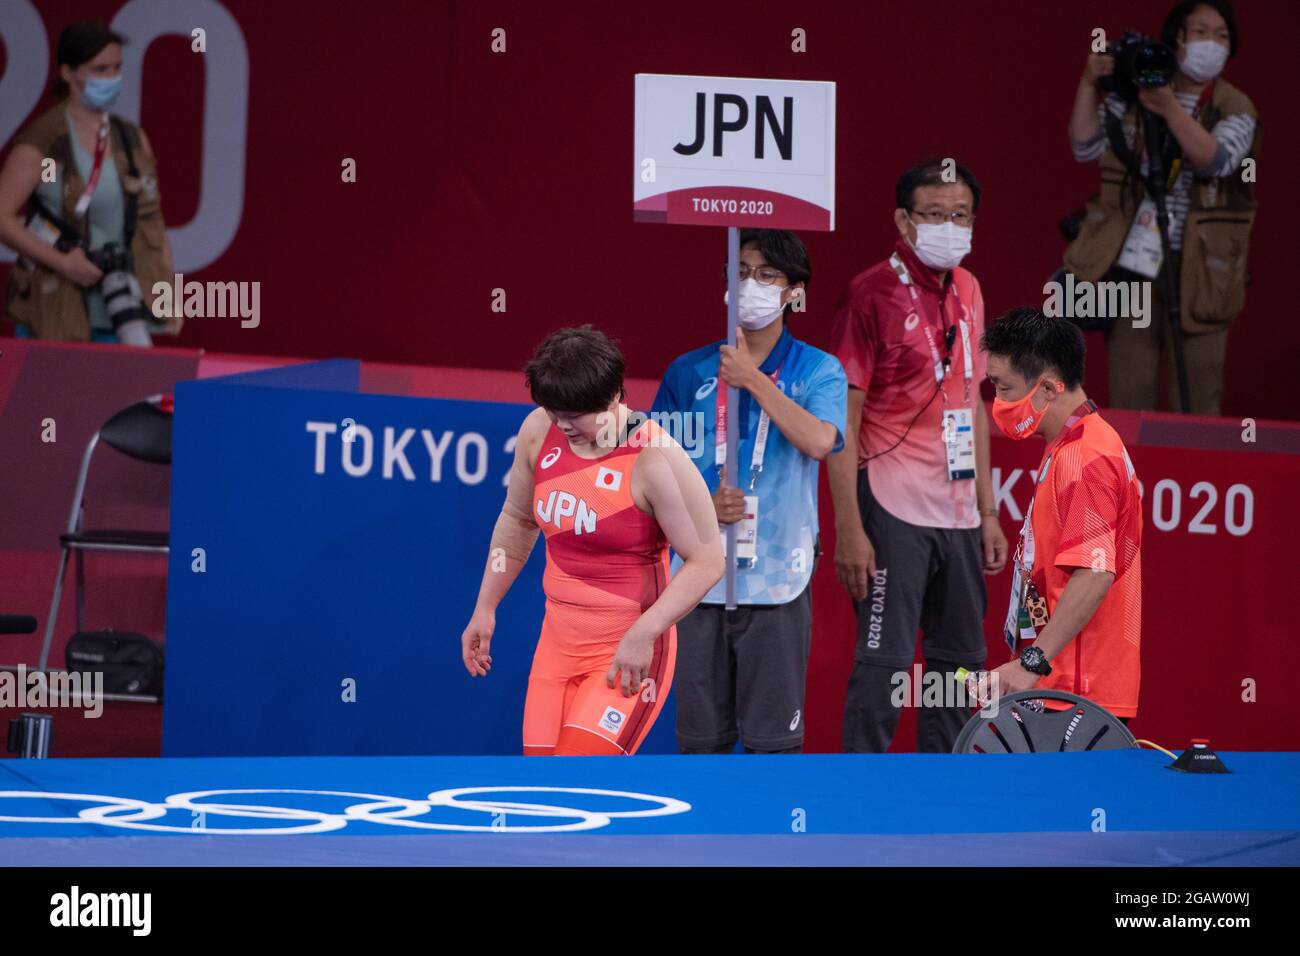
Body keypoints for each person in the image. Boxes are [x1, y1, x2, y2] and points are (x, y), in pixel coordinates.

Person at [459, 325, 724, 755]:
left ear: (616, 394)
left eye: (575, 415)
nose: (562, 425)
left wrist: (645, 633)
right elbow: (517, 520)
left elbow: (707, 561)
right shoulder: (536, 430)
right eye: (553, 412)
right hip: (556, 647)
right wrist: (485, 607)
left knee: (578, 784)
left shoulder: (656, 459)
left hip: (626, 648)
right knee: (542, 792)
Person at [827, 159, 1007, 754]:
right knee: (885, 668)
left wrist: (988, 510)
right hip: (892, 503)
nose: (949, 227)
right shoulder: (870, 293)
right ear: (904, 221)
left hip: (958, 512)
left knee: (959, 668)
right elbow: (843, 421)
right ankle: (858, 799)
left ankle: (944, 792)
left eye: (960, 216)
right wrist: (849, 530)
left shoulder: (971, 289)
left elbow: (976, 404)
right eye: (935, 215)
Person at [651, 229, 847, 754]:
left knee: (773, 750)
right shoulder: (687, 373)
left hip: (778, 580)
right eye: (739, 273)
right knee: (700, 747)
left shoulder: (819, 369)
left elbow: (821, 441)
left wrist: (754, 379)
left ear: (794, 292)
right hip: (698, 583)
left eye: (767, 275)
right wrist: (701, 504)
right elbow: (652, 471)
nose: (750, 285)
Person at [1064, 0, 1257, 415]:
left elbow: (1218, 161)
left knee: (1199, 390)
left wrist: (1169, 107)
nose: (1212, 43)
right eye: (1201, 32)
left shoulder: (1234, 105)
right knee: (1131, 387)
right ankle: (1133, 476)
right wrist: (1088, 82)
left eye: (1221, 36)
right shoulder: (1132, 95)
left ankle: (1198, 476)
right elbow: (1084, 145)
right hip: (1132, 260)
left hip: (1203, 266)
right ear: (1178, 39)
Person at [979, 307, 1142, 722]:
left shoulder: (1088, 456)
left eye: (1004, 388)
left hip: (1079, 694)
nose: (997, 402)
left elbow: (1095, 573)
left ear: (1049, 388)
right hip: (1056, 684)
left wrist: (1032, 663)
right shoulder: (1066, 445)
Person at [0, 21, 177, 345]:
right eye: (100, 69)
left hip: (122, 307)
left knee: (135, 396)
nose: (111, 78)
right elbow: (2, 217)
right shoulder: (42, 141)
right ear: (68, 73)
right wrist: (63, 263)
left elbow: (152, 220)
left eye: (116, 68)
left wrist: (166, 293)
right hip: (55, 307)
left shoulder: (132, 139)